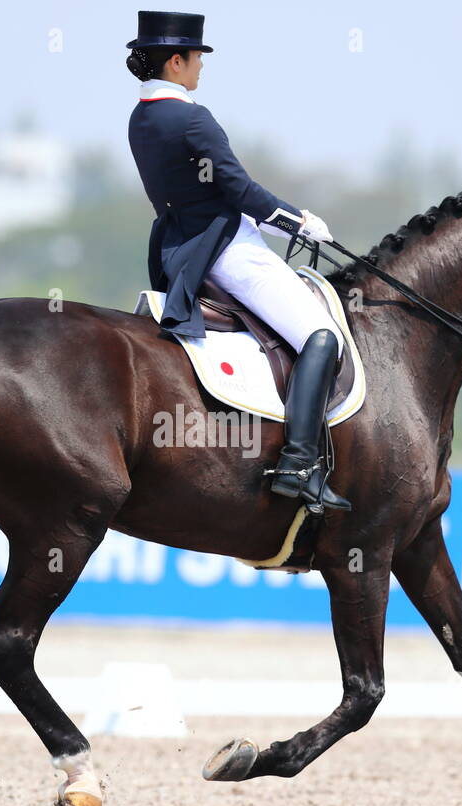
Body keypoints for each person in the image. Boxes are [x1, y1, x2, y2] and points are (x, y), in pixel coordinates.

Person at [126, 10, 351, 513]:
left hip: (179, 248)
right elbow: (239, 189)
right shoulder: (192, 118)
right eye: (197, 57)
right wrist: (299, 222)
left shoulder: (141, 118)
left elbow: (204, 192)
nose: (201, 67)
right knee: (322, 336)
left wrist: (273, 223)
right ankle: (298, 464)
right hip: (227, 248)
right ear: (176, 61)